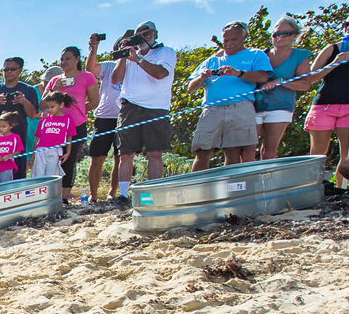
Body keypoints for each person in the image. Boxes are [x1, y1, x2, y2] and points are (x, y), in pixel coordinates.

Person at [189, 21, 272, 171]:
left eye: (234, 39)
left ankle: (230, 190)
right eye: (226, 40)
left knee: (233, 152)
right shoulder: (212, 60)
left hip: (241, 107)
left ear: (244, 37)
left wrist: (238, 73)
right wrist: (201, 78)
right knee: (202, 151)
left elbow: (263, 77)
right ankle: (198, 189)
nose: (229, 43)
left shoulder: (255, 54)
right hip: (211, 109)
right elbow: (190, 88)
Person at [112, 21, 177, 204]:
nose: (142, 38)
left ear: (155, 34)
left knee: (154, 153)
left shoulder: (166, 52)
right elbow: (115, 79)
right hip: (130, 106)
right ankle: (123, 195)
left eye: (146, 34)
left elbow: (160, 74)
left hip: (156, 108)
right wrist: (124, 56)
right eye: (139, 34)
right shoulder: (131, 54)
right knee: (126, 154)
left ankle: (153, 195)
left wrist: (139, 60)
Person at [43, 47, 100, 201]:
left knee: (69, 160)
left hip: (75, 125)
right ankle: (50, 196)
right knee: (52, 159)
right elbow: (42, 105)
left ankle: (64, 198)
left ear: (77, 59)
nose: (64, 62)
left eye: (68, 58)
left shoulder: (87, 77)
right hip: (54, 127)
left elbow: (94, 102)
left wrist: (79, 111)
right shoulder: (55, 80)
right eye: (62, 59)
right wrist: (54, 89)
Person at [254, 16, 313, 161]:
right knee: (247, 148)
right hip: (253, 106)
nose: (279, 37)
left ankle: (266, 183)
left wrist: (281, 82)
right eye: (276, 34)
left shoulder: (300, 55)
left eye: (285, 34)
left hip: (280, 106)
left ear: (294, 35)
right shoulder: (260, 54)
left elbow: (305, 84)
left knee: (268, 150)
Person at [305, 17, 349, 187]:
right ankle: (312, 189)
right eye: (347, 25)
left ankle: (341, 189)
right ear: (344, 28)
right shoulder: (332, 48)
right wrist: (336, 63)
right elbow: (311, 77)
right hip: (324, 106)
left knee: (346, 154)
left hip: (348, 107)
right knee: (318, 153)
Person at [0, 58, 40, 179]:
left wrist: (23, 101)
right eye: (6, 69)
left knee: (16, 174)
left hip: (17, 139)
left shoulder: (28, 90)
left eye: (13, 69)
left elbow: (32, 114)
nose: (9, 72)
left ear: (20, 70)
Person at [84, 33, 123, 203]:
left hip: (126, 116)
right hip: (104, 116)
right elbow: (90, 71)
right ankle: (93, 194)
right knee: (97, 156)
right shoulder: (109, 66)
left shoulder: (138, 67)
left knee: (120, 157)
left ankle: (113, 192)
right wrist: (94, 49)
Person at [32, 93, 76, 179]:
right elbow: (37, 138)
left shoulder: (68, 119)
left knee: (52, 175)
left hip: (56, 150)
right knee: (38, 174)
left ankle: (51, 192)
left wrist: (68, 152)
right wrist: (33, 155)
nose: (49, 110)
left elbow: (69, 136)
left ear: (61, 105)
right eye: (48, 107)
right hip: (40, 150)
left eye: (52, 107)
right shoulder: (44, 120)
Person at [0, 112, 24, 185]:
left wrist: (9, 156)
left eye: (3, 126)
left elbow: (19, 151)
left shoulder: (15, 137)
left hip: (8, 165)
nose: (1, 129)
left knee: (6, 186)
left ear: (10, 126)